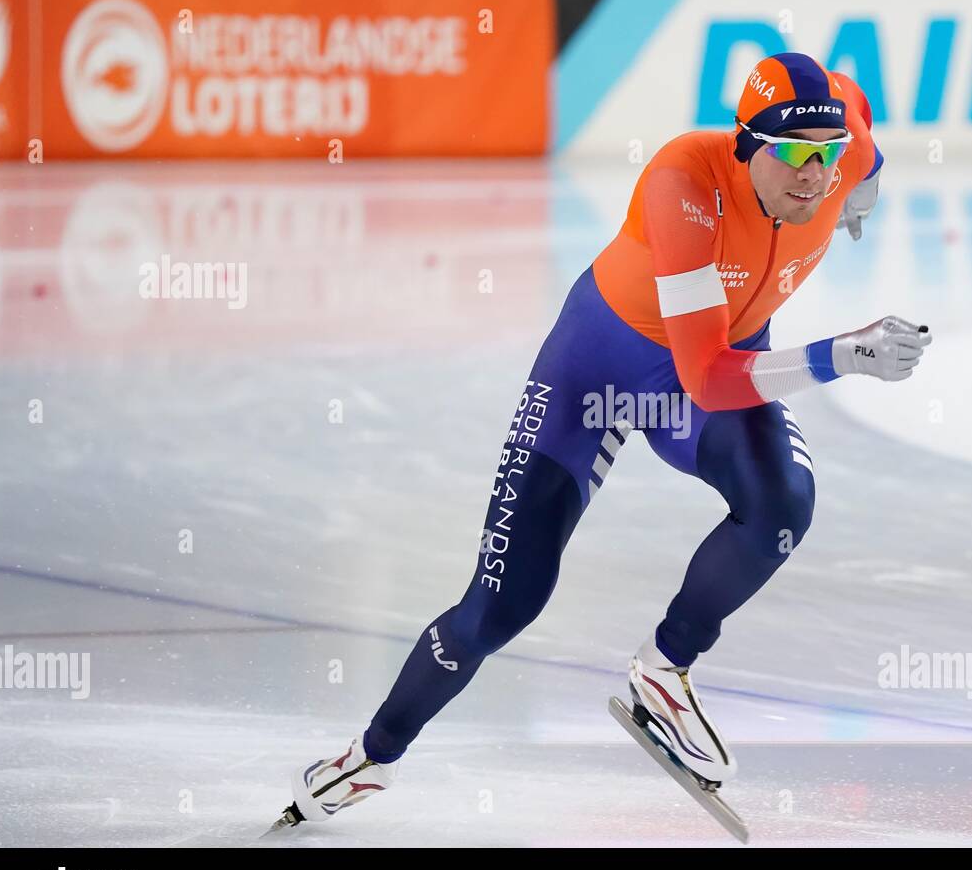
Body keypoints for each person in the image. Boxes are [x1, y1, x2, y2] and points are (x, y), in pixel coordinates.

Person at [277, 52, 931, 826]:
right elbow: (709, 380)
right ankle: (370, 757)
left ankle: (666, 669)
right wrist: (841, 355)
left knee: (783, 501)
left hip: (709, 366)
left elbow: (865, 152)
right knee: (502, 605)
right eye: (792, 156)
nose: (815, 176)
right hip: (599, 373)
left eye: (827, 157)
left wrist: (865, 188)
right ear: (747, 144)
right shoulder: (682, 186)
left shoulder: (841, 144)